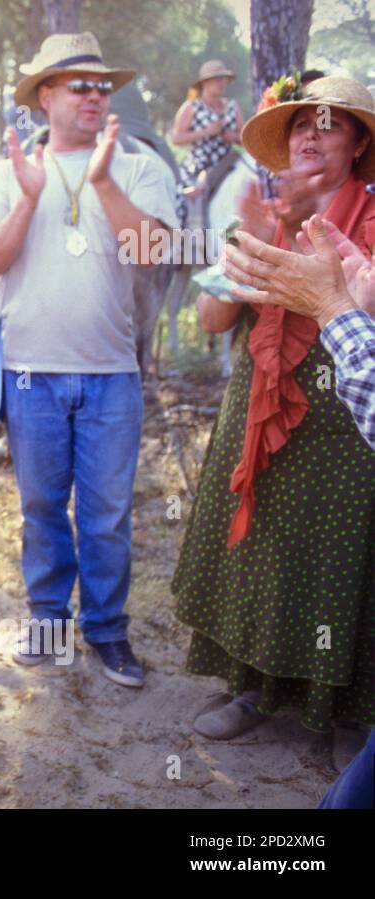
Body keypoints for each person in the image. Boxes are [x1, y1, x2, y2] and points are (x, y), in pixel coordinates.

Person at [174, 75, 375, 769]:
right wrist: (249, 253)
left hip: (350, 433)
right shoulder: (259, 217)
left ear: (358, 145)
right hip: (258, 412)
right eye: (299, 126)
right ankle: (255, 690)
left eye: (330, 124)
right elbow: (209, 319)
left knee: (339, 565)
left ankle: (342, 714)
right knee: (264, 556)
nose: (311, 135)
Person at [0, 32, 176, 687]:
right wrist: (29, 197)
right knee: (42, 508)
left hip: (114, 372)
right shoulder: (8, 174)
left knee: (108, 514)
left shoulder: (140, 166)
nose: (93, 94)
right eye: (78, 84)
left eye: (101, 85)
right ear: (46, 96)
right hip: (29, 372)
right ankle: (50, 622)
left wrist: (106, 181)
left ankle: (108, 632)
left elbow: (154, 253)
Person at [172, 59, 241, 229]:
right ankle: (190, 238)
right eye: (217, 78)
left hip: (227, 162)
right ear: (205, 82)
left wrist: (233, 136)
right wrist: (206, 132)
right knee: (185, 198)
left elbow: (244, 136)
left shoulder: (232, 106)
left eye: (223, 78)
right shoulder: (191, 107)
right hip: (199, 164)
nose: (221, 83)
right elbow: (177, 138)